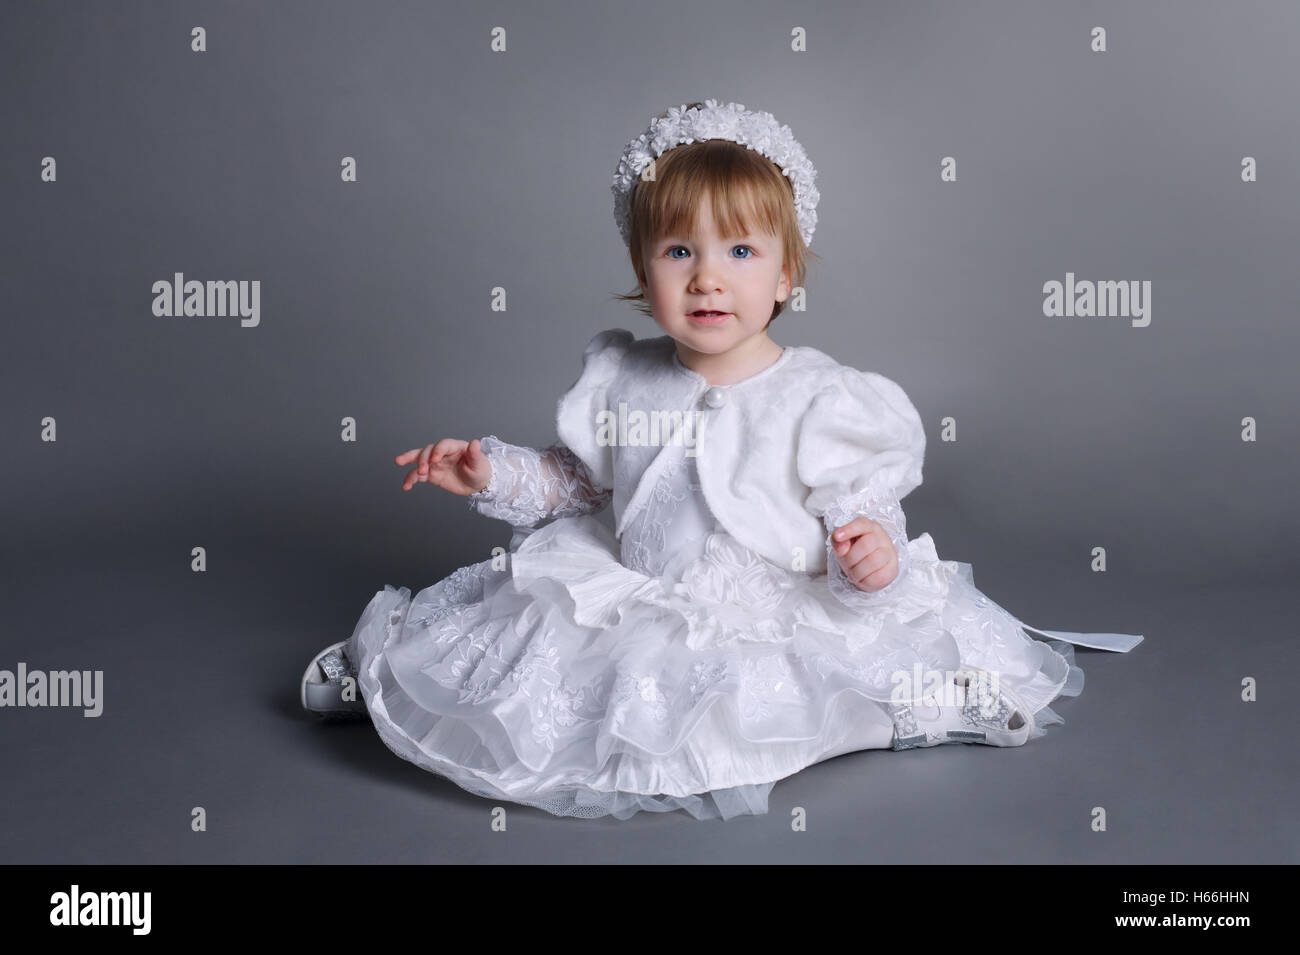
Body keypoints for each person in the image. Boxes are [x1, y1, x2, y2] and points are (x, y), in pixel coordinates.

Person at [300, 100, 1142, 821]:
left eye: (740, 253)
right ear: (643, 268)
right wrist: (490, 472)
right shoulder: (625, 377)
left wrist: (868, 557)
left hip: (773, 600)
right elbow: (581, 483)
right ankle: (395, 683)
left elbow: (862, 503)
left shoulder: (820, 395)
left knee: (818, 686)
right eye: (679, 252)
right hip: (639, 588)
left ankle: (932, 705)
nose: (708, 278)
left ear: (785, 275)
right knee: (535, 650)